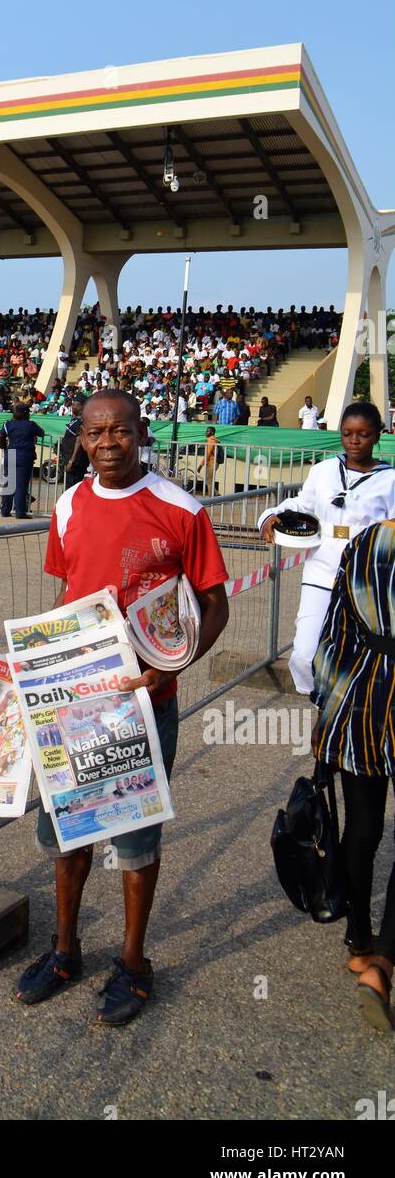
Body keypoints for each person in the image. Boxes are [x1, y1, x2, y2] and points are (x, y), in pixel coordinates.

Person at [14, 391, 229, 1022]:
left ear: (142, 434)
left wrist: (170, 664)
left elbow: (215, 606)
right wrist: (38, 663)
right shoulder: (68, 505)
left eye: (121, 432)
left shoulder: (180, 510)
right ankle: (64, 950)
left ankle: (134, 963)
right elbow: (66, 590)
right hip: (73, 708)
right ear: (80, 437)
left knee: (136, 841)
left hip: (144, 707)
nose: (108, 443)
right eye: (96, 433)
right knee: (67, 836)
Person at [311, 520, 395, 1030]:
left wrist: (325, 706)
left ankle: (360, 942)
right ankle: (383, 960)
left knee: (363, 831)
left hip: (360, 698)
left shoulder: (367, 542)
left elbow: (336, 627)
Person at [259, 402, 395, 694]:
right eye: (347, 434)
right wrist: (270, 516)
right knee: (304, 655)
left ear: (377, 436)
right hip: (321, 571)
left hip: (365, 580)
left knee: (360, 654)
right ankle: (321, 702)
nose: (354, 441)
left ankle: (349, 713)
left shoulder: (390, 480)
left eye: (363, 434)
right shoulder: (323, 471)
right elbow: (301, 505)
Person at [0, 402, 44, 519]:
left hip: (11, 453)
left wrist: (3, 446)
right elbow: (42, 433)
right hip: (24, 455)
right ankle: (20, 512)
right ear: (25, 413)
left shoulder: (8, 424)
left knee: (9, 483)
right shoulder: (30, 424)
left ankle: (5, 510)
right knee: (21, 485)